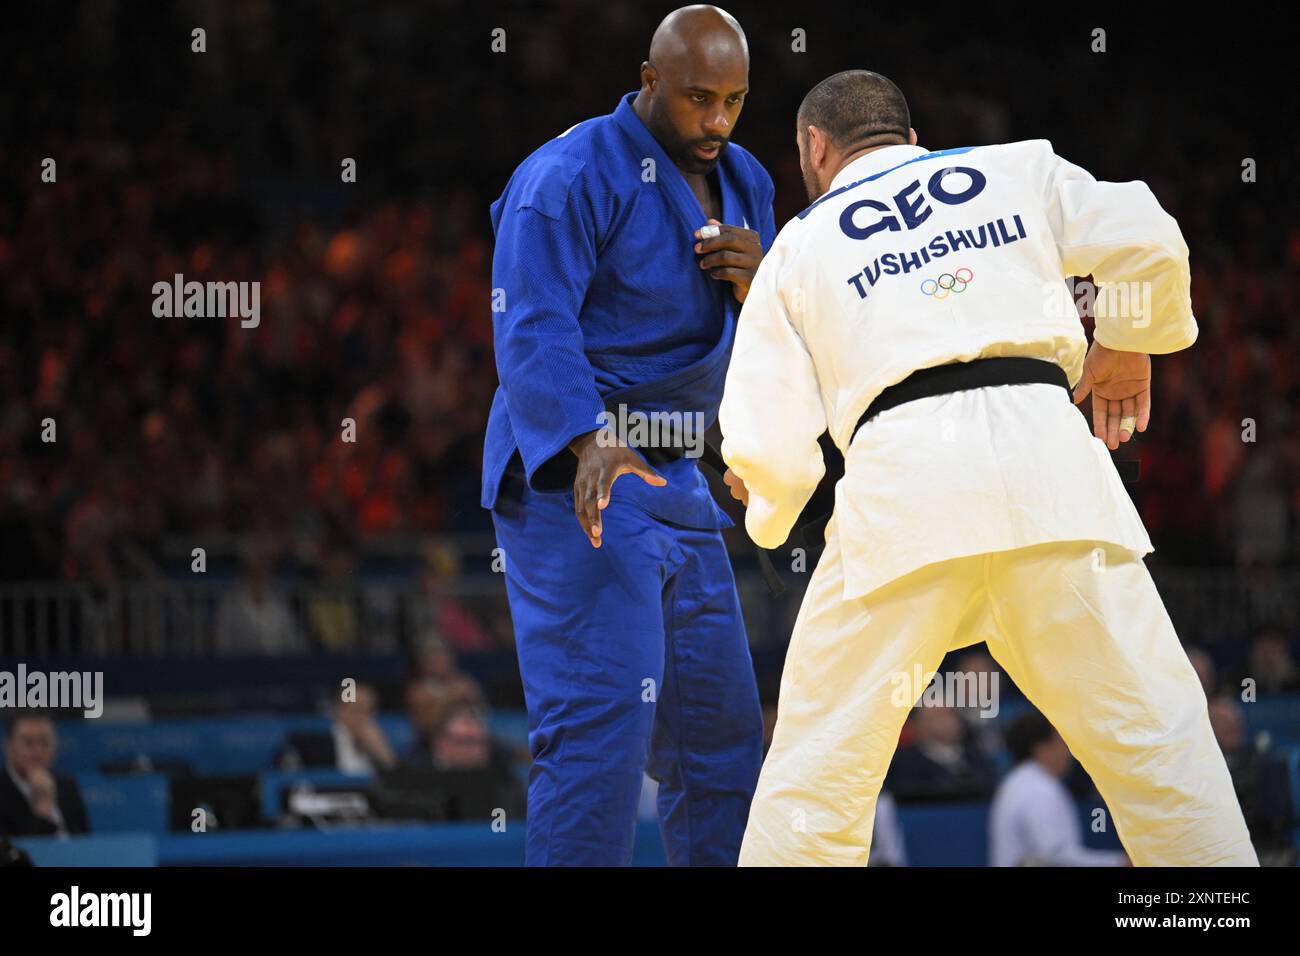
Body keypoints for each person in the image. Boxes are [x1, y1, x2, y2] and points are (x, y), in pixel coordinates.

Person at [719, 69, 1258, 866]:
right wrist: (1126, 338)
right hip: (1053, 480)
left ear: (815, 148)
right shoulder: (1014, 168)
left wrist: (766, 502)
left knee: (815, 788)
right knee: (1163, 760)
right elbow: (1150, 230)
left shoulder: (799, 246)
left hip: (901, 504)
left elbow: (768, 443)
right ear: (910, 139)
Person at [484, 5, 773, 864]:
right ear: (649, 82)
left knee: (723, 740)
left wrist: (768, 285)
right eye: (697, 99)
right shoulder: (566, 175)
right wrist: (585, 439)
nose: (717, 121)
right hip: (579, 481)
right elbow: (530, 323)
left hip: (679, 479)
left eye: (733, 100)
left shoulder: (749, 179)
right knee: (599, 741)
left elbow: (761, 344)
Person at [989, 711, 1127, 866]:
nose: (1069, 753)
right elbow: (1057, 858)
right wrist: (1121, 862)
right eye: (1062, 744)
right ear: (1041, 749)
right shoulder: (1039, 790)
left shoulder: (1016, 782)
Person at [0, 713, 89, 837]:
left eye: (44, 742)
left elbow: (85, 841)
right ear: (8, 746)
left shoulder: (67, 785)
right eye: (28, 742)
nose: (37, 751)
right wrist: (43, 807)